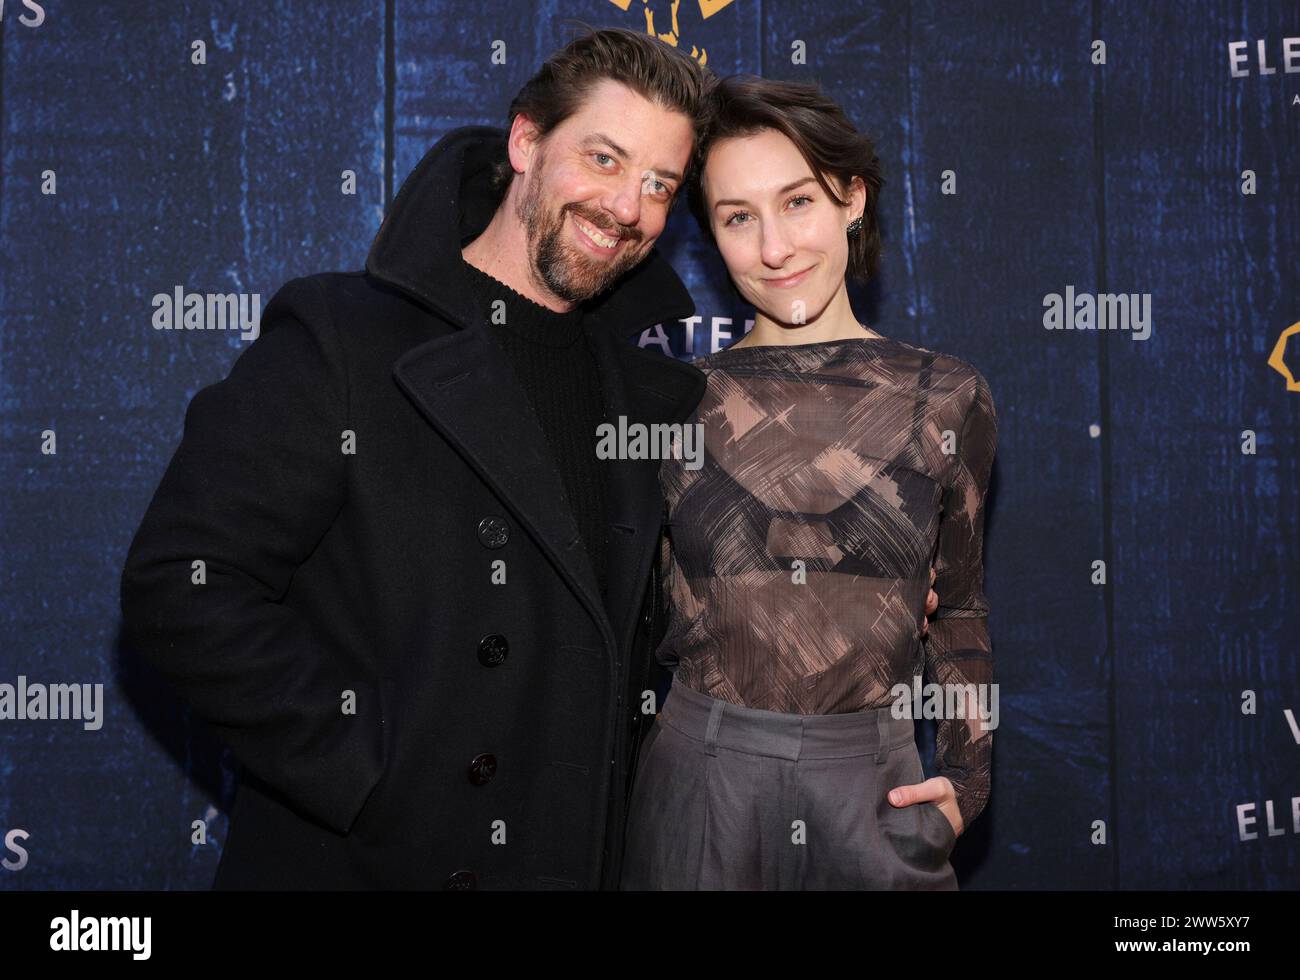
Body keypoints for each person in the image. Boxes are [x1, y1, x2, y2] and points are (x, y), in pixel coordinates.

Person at [119, 26, 718, 891]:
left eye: (659, 183)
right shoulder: (344, 340)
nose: (627, 206)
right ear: (525, 143)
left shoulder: (657, 398)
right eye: (604, 157)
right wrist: (367, 770)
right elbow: (183, 578)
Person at [620, 75, 998, 890]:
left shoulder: (946, 395)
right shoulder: (673, 399)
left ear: (851, 198)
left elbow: (960, 608)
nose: (774, 249)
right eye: (737, 217)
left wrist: (967, 781)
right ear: (710, 235)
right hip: (699, 786)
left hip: (875, 790)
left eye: (797, 202)